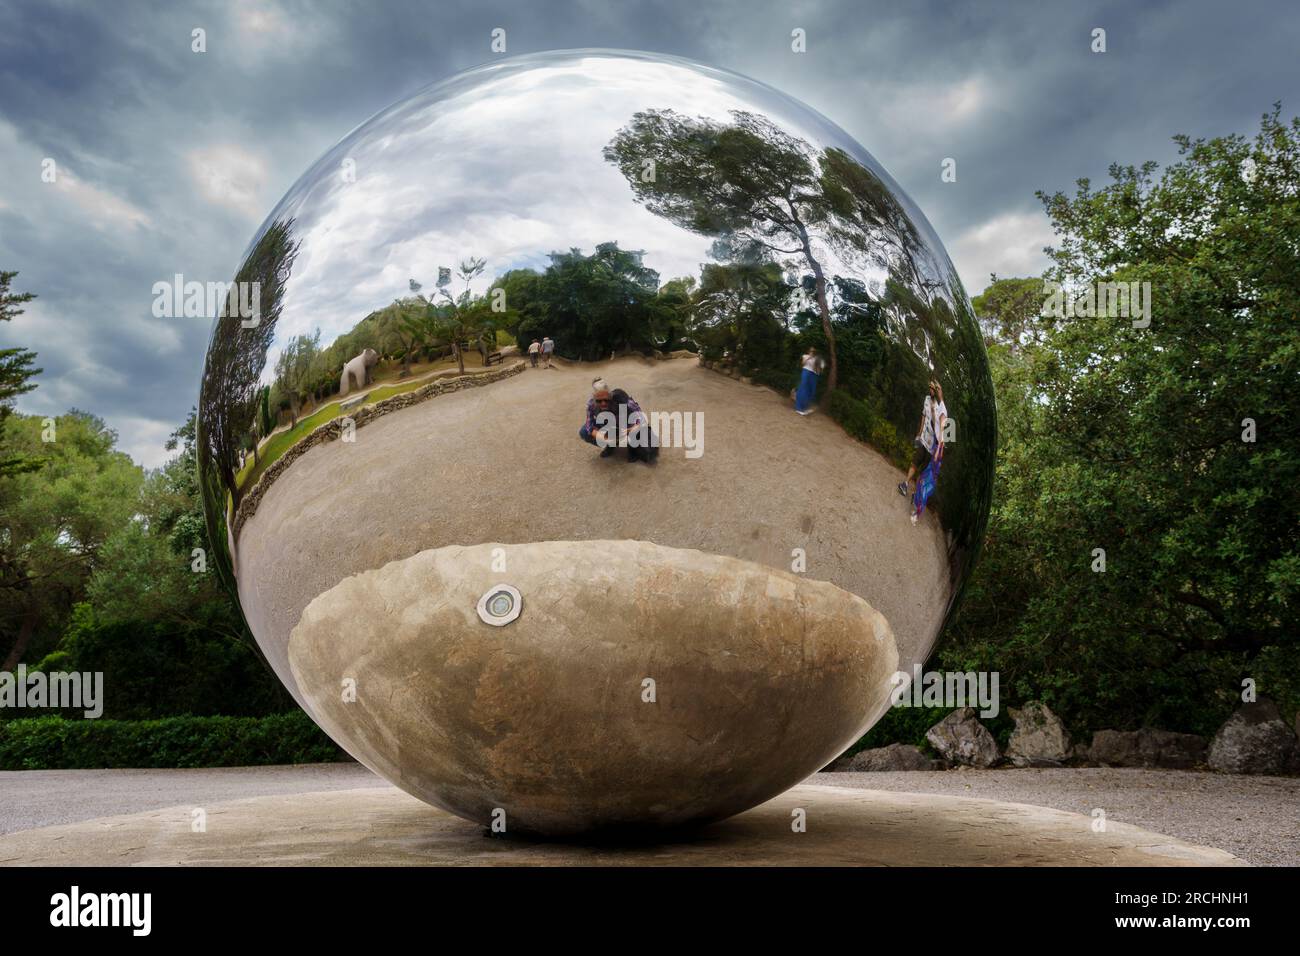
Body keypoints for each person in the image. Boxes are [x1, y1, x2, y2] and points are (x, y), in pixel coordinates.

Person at [898, 379, 946, 498]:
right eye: (929, 388)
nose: (930, 390)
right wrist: (919, 433)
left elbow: (941, 429)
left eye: (932, 388)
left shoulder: (940, 408)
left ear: (936, 390)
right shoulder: (926, 399)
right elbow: (924, 416)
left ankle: (915, 494)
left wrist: (939, 450)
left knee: (923, 472)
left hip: (932, 447)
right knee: (915, 462)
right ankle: (905, 484)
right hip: (924, 440)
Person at [611, 388, 657, 463]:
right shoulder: (607, 405)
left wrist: (629, 430)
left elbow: (641, 421)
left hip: (630, 425)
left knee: (638, 431)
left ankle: (634, 451)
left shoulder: (630, 404)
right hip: (616, 425)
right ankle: (611, 446)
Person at [794, 346, 824, 415]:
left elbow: (821, 370)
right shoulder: (805, 356)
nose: (812, 352)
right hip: (806, 371)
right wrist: (809, 357)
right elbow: (803, 364)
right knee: (803, 388)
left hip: (815, 375)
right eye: (811, 351)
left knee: (811, 391)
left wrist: (817, 366)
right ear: (808, 351)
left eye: (813, 351)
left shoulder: (819, 359)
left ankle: (805, 408)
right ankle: (799, 408)